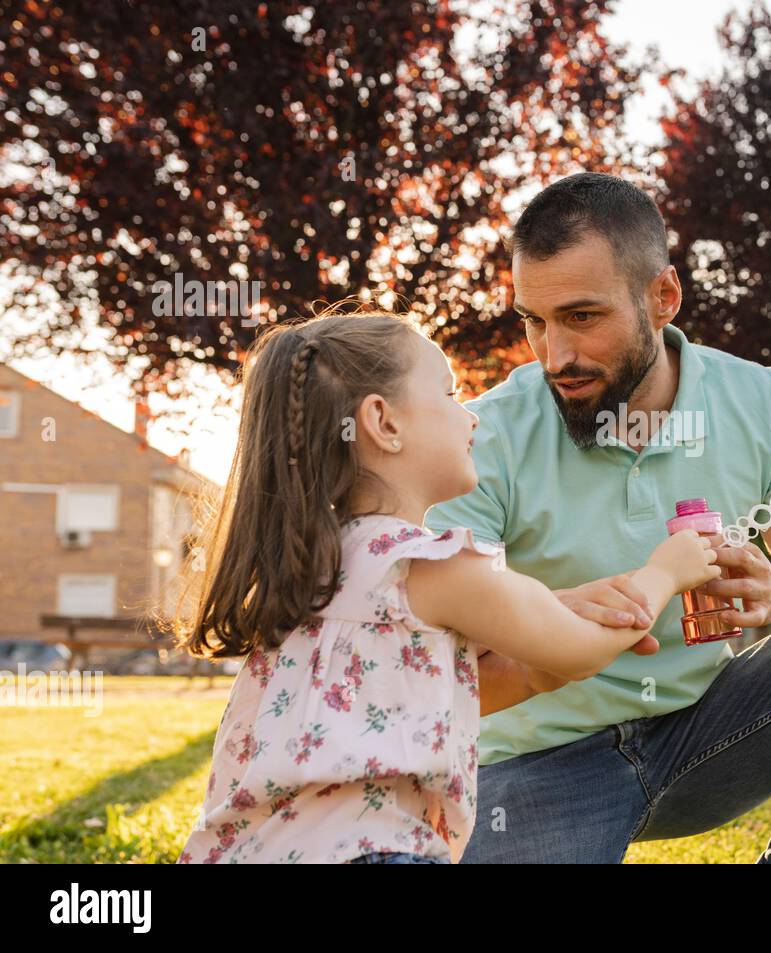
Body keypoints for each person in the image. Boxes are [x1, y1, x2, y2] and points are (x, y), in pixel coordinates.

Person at [426, 173, 771, 863]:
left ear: (664, 297)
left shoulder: (757, 400)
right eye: (534, 320)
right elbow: (438, 669)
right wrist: (554, 634)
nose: (556, 355)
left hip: (704, 734)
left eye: (583, 317)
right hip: (536, 763)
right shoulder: (482, 434)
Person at [172, 308, 720, 864]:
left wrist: (543, 648)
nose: (472, 418)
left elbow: (422, 695)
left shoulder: (313, 570)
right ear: (384, 423)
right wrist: (666, 573)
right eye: (450, 394)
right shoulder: (431, 563)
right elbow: (577, 652)